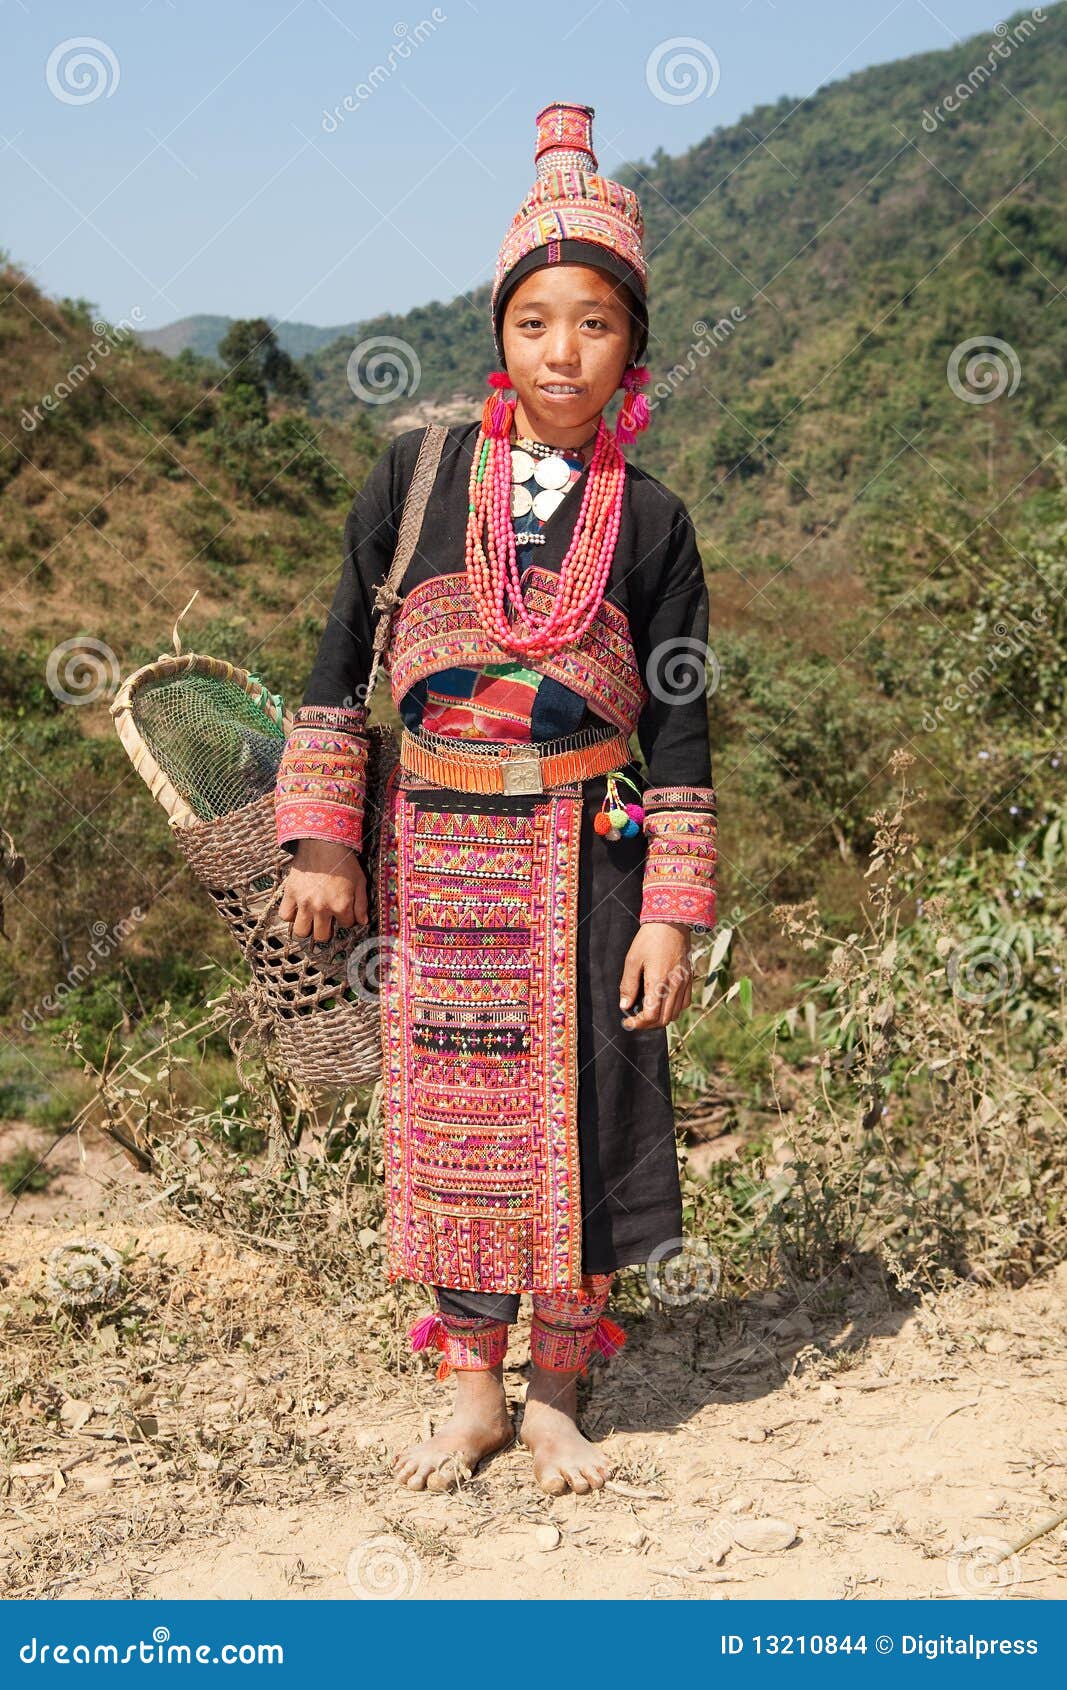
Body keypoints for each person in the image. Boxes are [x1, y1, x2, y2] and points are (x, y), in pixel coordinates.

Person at [274, 102, 717, 1498]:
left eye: (595, 324)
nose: (564, 352)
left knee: (586, 1111)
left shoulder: (649, 521)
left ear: (631, 347)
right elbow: (340, 659)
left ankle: (558, 1398)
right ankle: (468, 1389)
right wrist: (326, 840)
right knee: (454, 1118)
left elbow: (687, 718)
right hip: (441, 847)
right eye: (538, 322)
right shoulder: (417, 476)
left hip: (589, 852)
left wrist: (670, 911)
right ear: (501, 333)